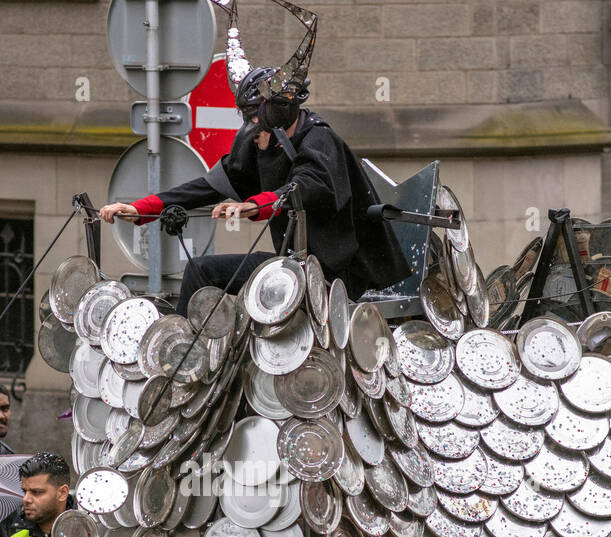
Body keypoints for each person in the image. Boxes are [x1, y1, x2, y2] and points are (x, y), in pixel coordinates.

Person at [97, 2, 407, 314]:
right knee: (200, 272)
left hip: (340, 274)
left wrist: (253, 205)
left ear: (279, 114)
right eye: (246, 117)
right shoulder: (256, 140)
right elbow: (209, 187)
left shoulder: (319, 138)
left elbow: (306, 186)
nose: (250, 128)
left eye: (255, 118)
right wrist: (141, 209)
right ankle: (182, 349)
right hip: (295, 266)